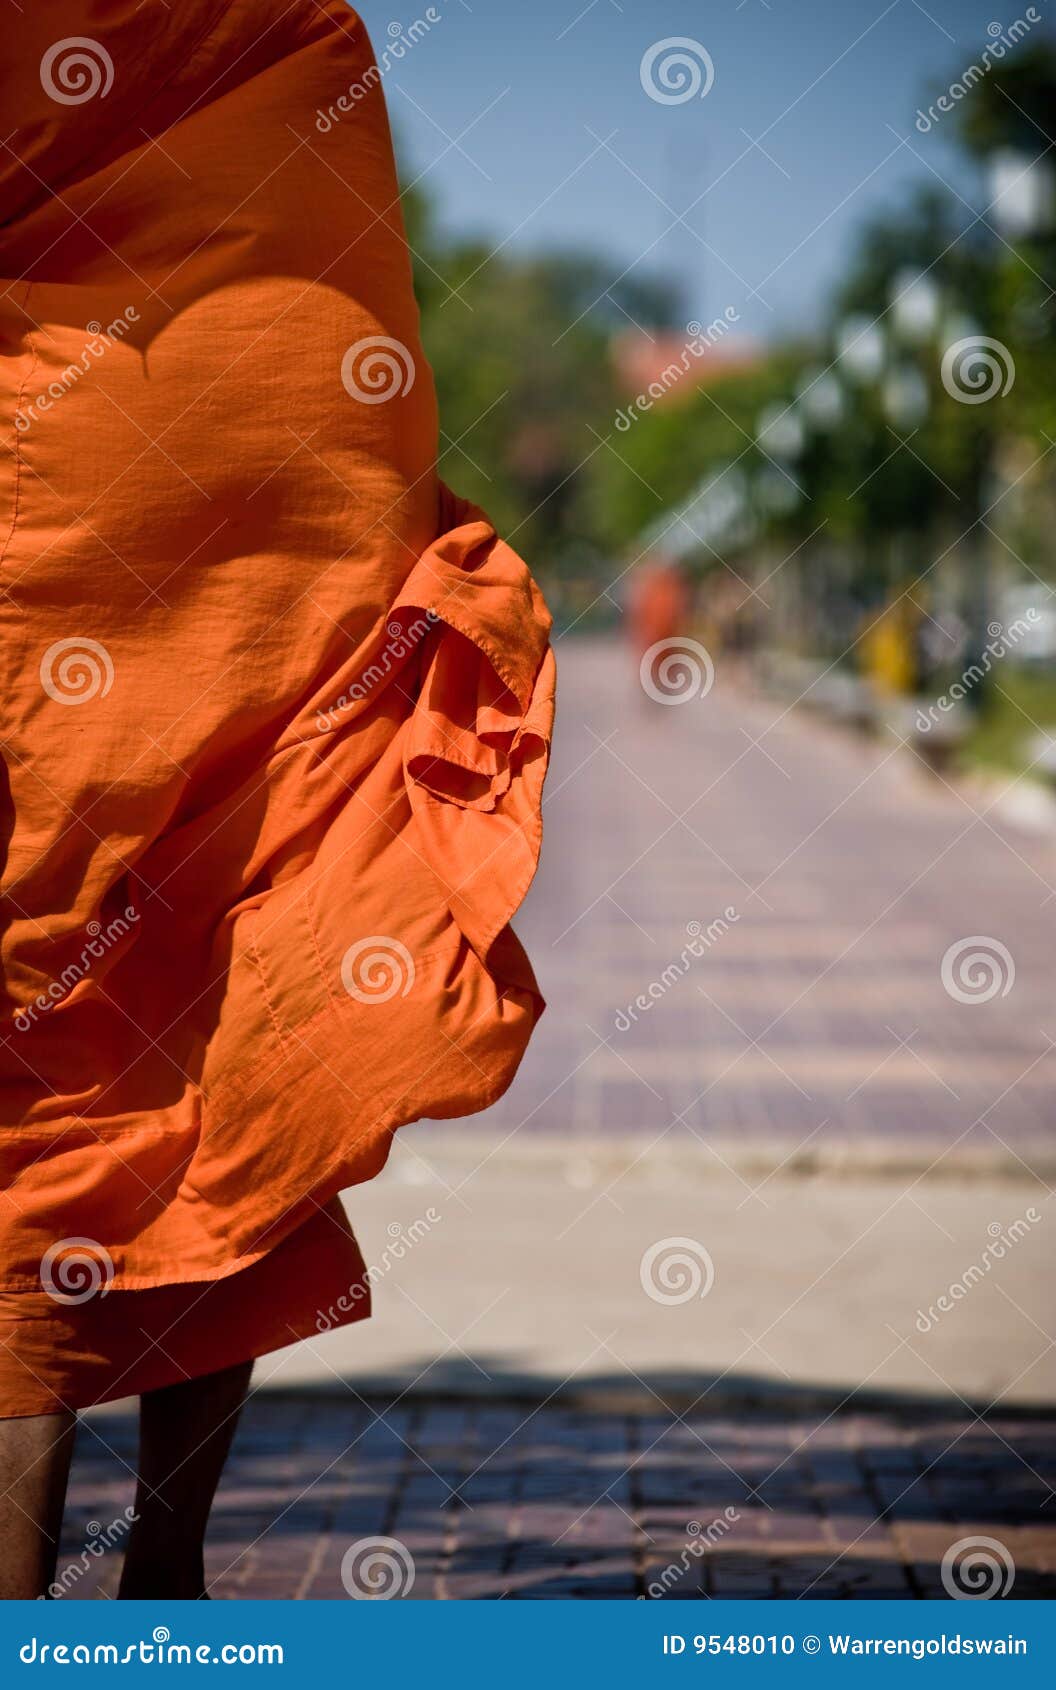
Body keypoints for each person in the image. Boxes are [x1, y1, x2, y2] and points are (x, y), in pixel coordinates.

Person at [0, 0, 554, 1599]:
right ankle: (163, 1560)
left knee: (49, 1040)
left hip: (72, 473)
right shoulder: (295, 39)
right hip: (298, 433)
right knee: (258, 951)